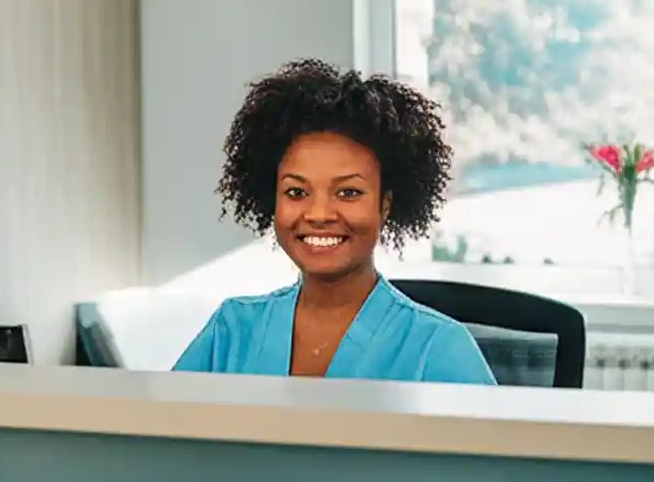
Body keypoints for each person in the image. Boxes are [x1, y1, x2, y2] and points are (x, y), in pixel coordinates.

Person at [173, 59, 496, 385]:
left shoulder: (440, 350)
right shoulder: (230, 332)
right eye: (297, 191)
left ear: (385, 204)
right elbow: (160, 432)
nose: (318, 214)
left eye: (348, 192)